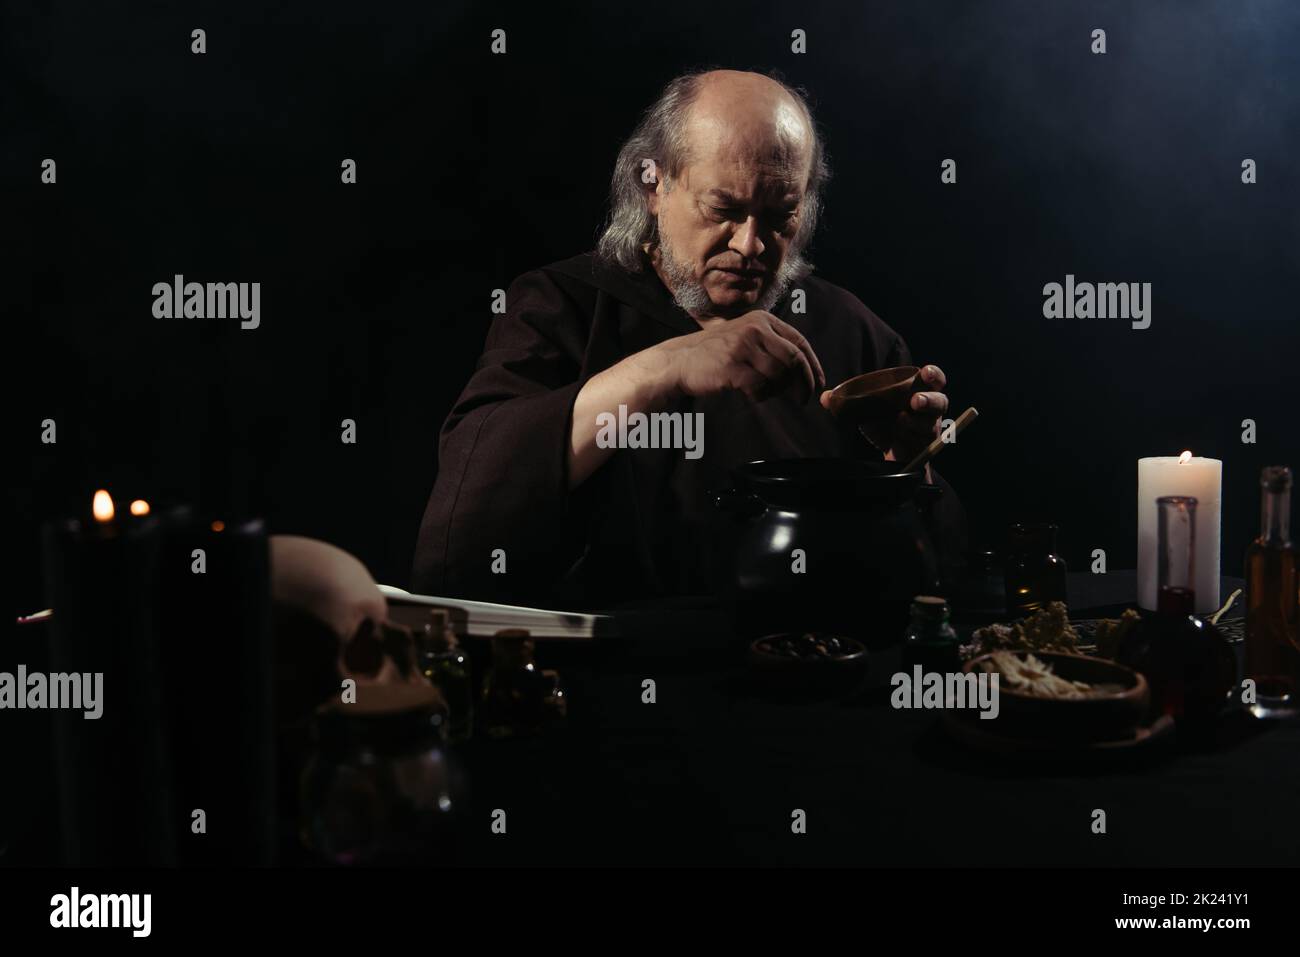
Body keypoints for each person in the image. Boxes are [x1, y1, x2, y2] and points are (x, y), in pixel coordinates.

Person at [414, 69, 964, 606]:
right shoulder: (557, 306)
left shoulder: (851, 332)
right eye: (723, 209)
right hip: (608, 675)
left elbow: (931, 584)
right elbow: (469, 513)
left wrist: (907, 465)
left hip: (800, 671)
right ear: (652, 186)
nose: (751, 245)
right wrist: (668, 364)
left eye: (780, 216)